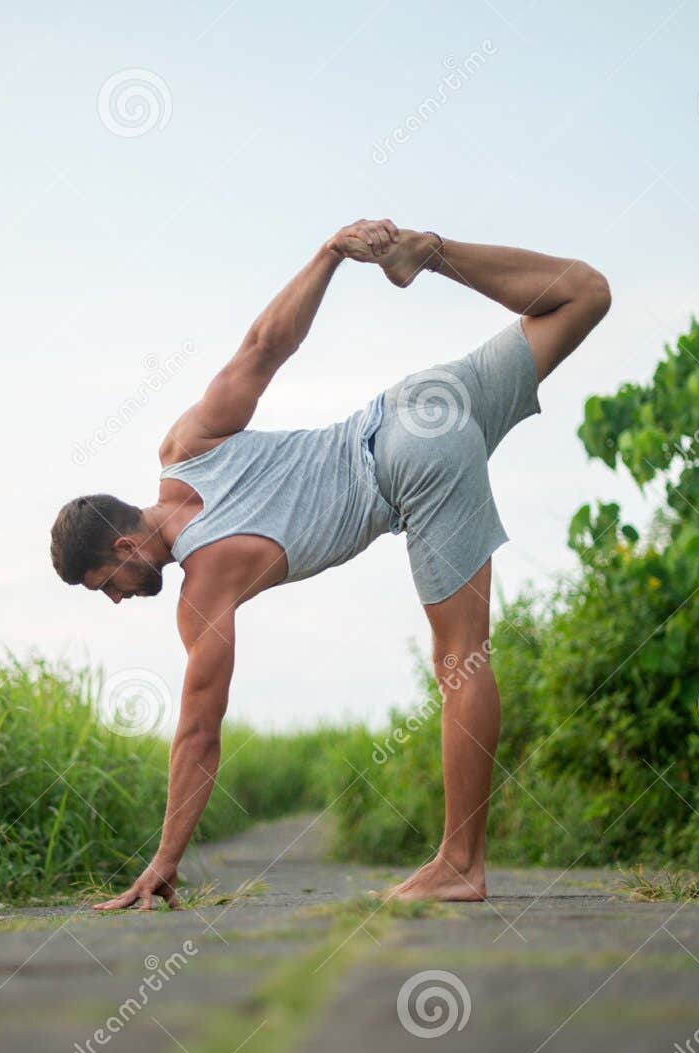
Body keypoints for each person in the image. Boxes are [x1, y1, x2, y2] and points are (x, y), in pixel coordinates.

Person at [50, 219, 611, 909]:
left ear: (124, 547)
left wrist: (165, 859)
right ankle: (428, 253)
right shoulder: (185, 442)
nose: (117, 599)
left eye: (108, 585)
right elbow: (265, 345)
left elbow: (198, 733)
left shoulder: (202, 592)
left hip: (410, 464)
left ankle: (461, 863)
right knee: (583, 293)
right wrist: (327, 255)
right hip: (419, 400)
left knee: (462, 655)